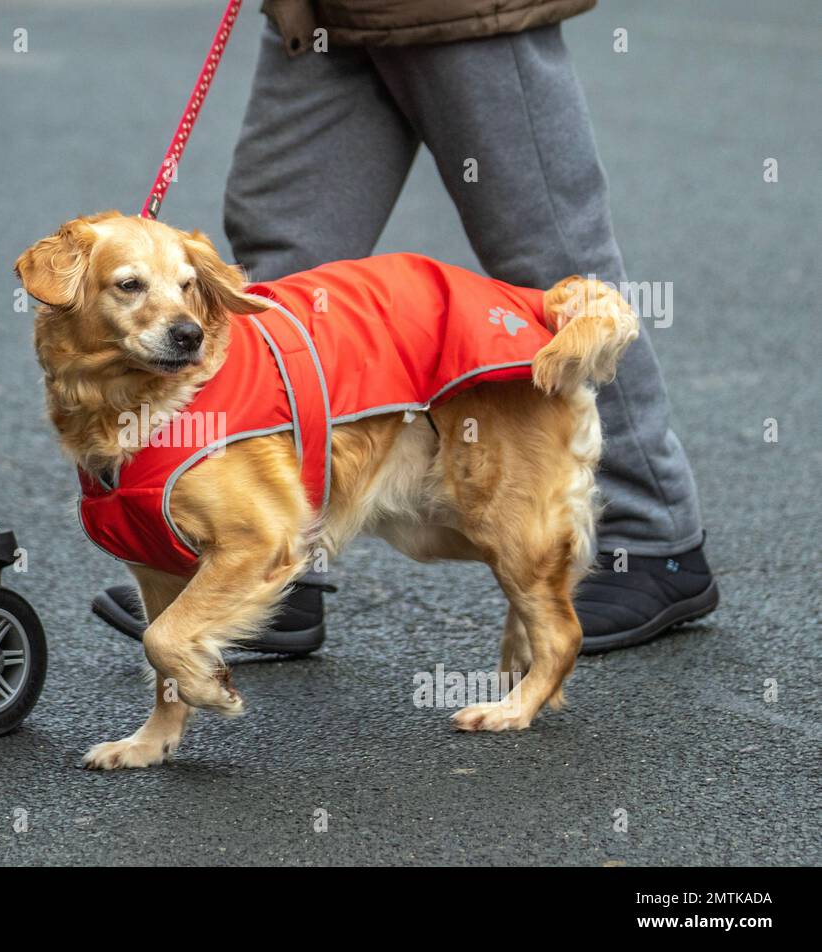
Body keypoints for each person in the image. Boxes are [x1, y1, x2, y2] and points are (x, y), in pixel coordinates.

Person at [97, 0, 717, 655]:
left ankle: (653, 538)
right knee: (283, 269)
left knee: (551, 263)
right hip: (319, 13)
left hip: (462, 12)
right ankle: (267, 544)